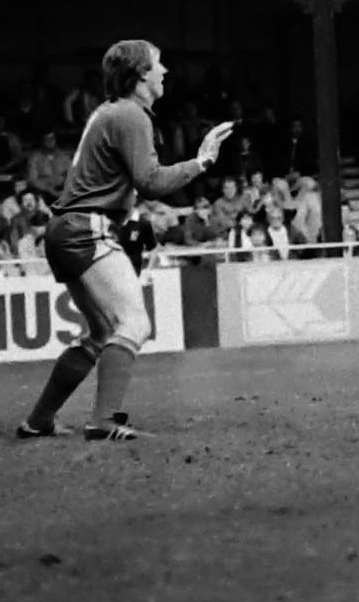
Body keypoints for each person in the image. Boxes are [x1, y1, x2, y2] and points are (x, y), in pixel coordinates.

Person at [17, 40, 234, 442]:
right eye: (159, 64)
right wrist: (202, 160)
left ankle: (39, 420)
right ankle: (103, 422)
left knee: (100, 333)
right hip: (87, 227)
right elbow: (150, 183)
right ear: (139, 75)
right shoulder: (132, 115)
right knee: (134, 322)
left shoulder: (111, 112)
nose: (166, 71)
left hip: (65, 229)